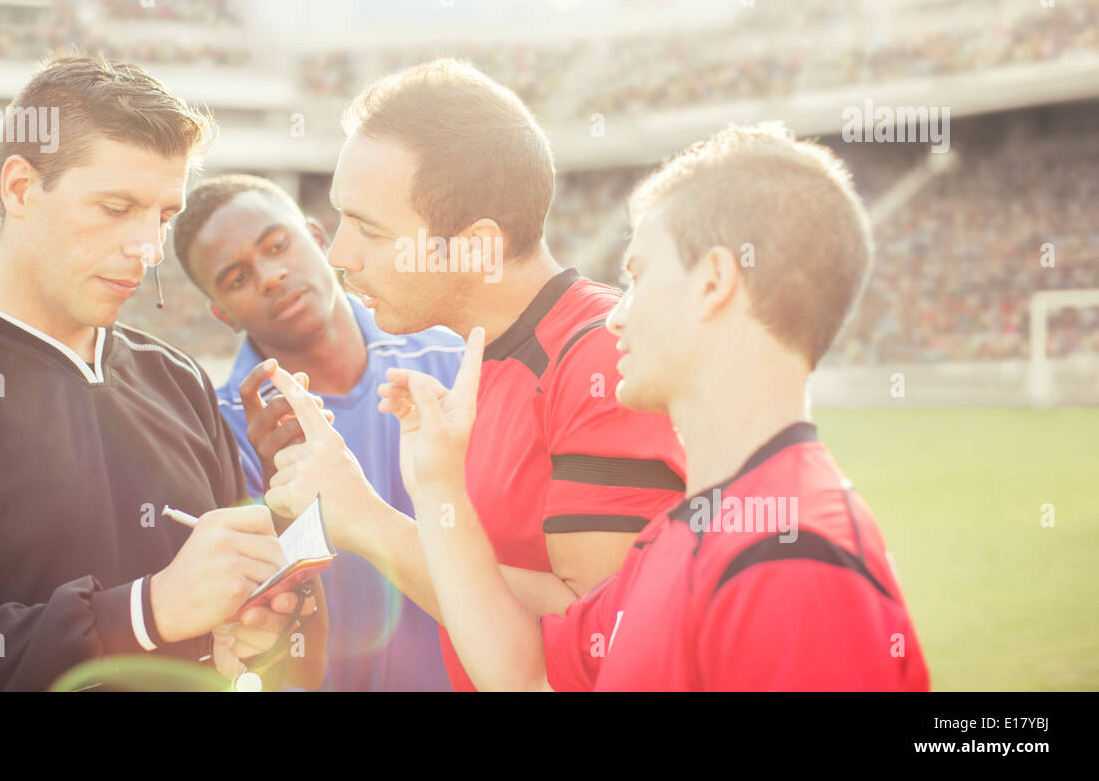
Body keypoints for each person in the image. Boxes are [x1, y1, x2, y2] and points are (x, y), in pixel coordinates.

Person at [343, 122, 930, 690]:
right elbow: (528, 677)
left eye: (639, 276)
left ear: (714, 281)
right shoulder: (680, 536)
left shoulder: (794, 561)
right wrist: (439, 486)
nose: (617, 312)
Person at [0, 54, 324, 690]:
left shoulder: (178, 380)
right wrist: (145, 612)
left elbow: (243, 644)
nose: (148, 249)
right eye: (115, 207)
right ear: (20, 188)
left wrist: (253, 626)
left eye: (162, 215)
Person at [263, 59, 687, 691]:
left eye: (370, 232)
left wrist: (365, 519)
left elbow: (598, 643)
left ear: (476, 245)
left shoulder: (600, 355)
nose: (337, 257)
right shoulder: (484, 360)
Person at [172, 173, 462, 690]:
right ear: (222, 314)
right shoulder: (218, 432)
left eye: (278, 245)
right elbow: (264, 644)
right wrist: (282, 505)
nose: (269, 276)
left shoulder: (448, 356)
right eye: (237, 278)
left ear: (317, 234)